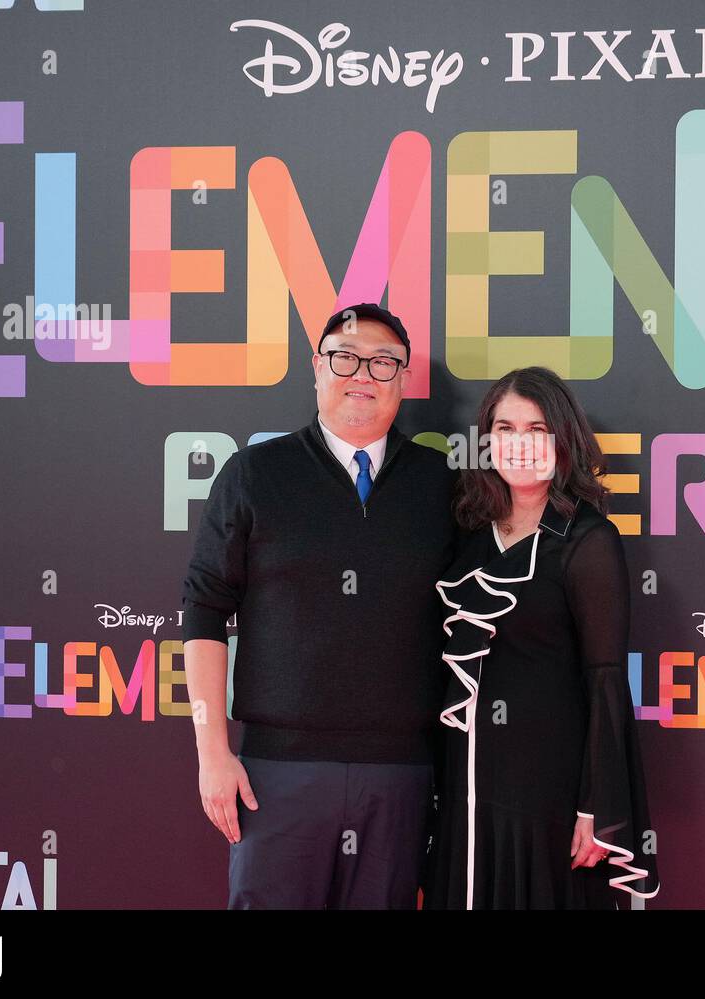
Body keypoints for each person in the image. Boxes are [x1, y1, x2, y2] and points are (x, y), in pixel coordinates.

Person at [180, 303, 457, 909]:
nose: (364, 373)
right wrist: (212, 753)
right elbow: (203, 609)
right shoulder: (255, 473)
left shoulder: (442, 485)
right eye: (345, 357)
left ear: (404, 378)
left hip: (402, 776)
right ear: (316, 369)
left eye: (383, 362)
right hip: (276, 775)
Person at [422, 366, 660, 909]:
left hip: (547, 793)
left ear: (564, 438)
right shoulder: (469, 534)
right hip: (465, 790)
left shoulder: (587, 540)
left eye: (537, 429)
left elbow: (604, 680)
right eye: (505, 429)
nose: (520, 444)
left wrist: (594, 803)